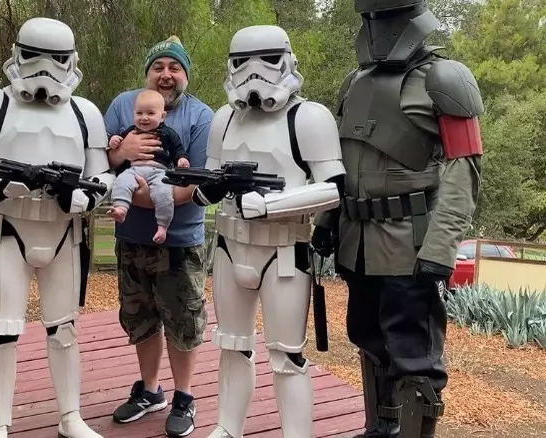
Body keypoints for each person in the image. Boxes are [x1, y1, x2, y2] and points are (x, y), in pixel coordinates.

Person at [310, 1, 484, 437]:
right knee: (369, 339)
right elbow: (341, 163)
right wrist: (327, 224)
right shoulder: (355, 82)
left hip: (412, 247)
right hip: (359, 242)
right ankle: (379, 430)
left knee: (414, 357)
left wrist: (441, 249)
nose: (377, 27)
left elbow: (463, 169)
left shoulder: (445, 77)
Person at [0, 17, 114, 438]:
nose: (45, 68)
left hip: (64, 232)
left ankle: (70, 417)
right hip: (9, 231)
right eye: (34, 56)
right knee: (3, 331)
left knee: (64, 328)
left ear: (71, 61)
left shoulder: (85, 112)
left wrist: (86, 198)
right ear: (17, 53)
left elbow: (102, 174)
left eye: (56, 59)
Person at [186, 25, 346, 438]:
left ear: (287, 60)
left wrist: (271, 205)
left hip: (285, 249)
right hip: (228, 246)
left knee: (286, 355)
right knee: (232, 345)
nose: (254, 74)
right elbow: (207, 188)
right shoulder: (224, 118)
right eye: (243, 63)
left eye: (267, 61)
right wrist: (212, 189)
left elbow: (334, 187)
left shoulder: (308, 117)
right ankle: (227, 426)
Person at [104, 34, 214, 437]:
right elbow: (100, 158)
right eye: (159, 67)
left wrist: (144, 197)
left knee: (183, 321)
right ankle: (149, 390)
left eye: (175, 68)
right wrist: (122, 153)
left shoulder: (202, 117)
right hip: (130, 236)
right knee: (139, 317)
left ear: (185, 74)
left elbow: (200, 181)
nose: (166, 75)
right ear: (147, 72)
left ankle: (184, 396)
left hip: (180, 241)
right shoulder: (121, 104)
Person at [108, 89, 190, 244]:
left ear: (162, 116)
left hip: (159, 172)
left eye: (150, 113)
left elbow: (178, 150)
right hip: (134, 170)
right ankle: (121, 209)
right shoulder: (131, 132)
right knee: (121, 181)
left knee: (164, 193)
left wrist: (182, 159)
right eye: (139, 113)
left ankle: (162, 226)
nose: (144, 118)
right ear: (134, 114)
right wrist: (114, 140)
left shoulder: (168, 133)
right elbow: (117, 144)